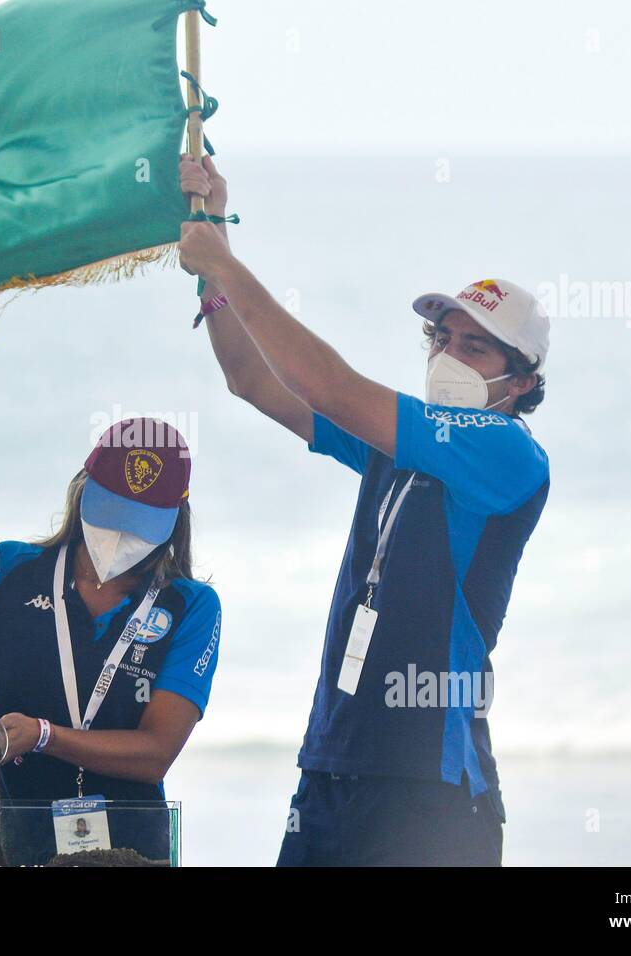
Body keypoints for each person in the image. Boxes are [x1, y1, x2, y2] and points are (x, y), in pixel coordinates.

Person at [178, 155, 550, 866]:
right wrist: (211, 244)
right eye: (441, 338)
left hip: (429, 783)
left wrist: (226, 263)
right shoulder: (398, 445)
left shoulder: (508, 451)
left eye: (475, 347)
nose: (447, 354)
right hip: (332, 759)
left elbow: (328, 385)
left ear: (523, 380)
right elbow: (251, 379)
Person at [0, 418, 220, 865]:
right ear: (81, 490)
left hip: (131, 848)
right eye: (110, 513)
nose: (120, 535)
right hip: (12, 839)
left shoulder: (190, 605)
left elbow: (155, 753)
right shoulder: (6, 570)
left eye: (141, 525)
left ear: (174, 521)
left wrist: (44, 736)